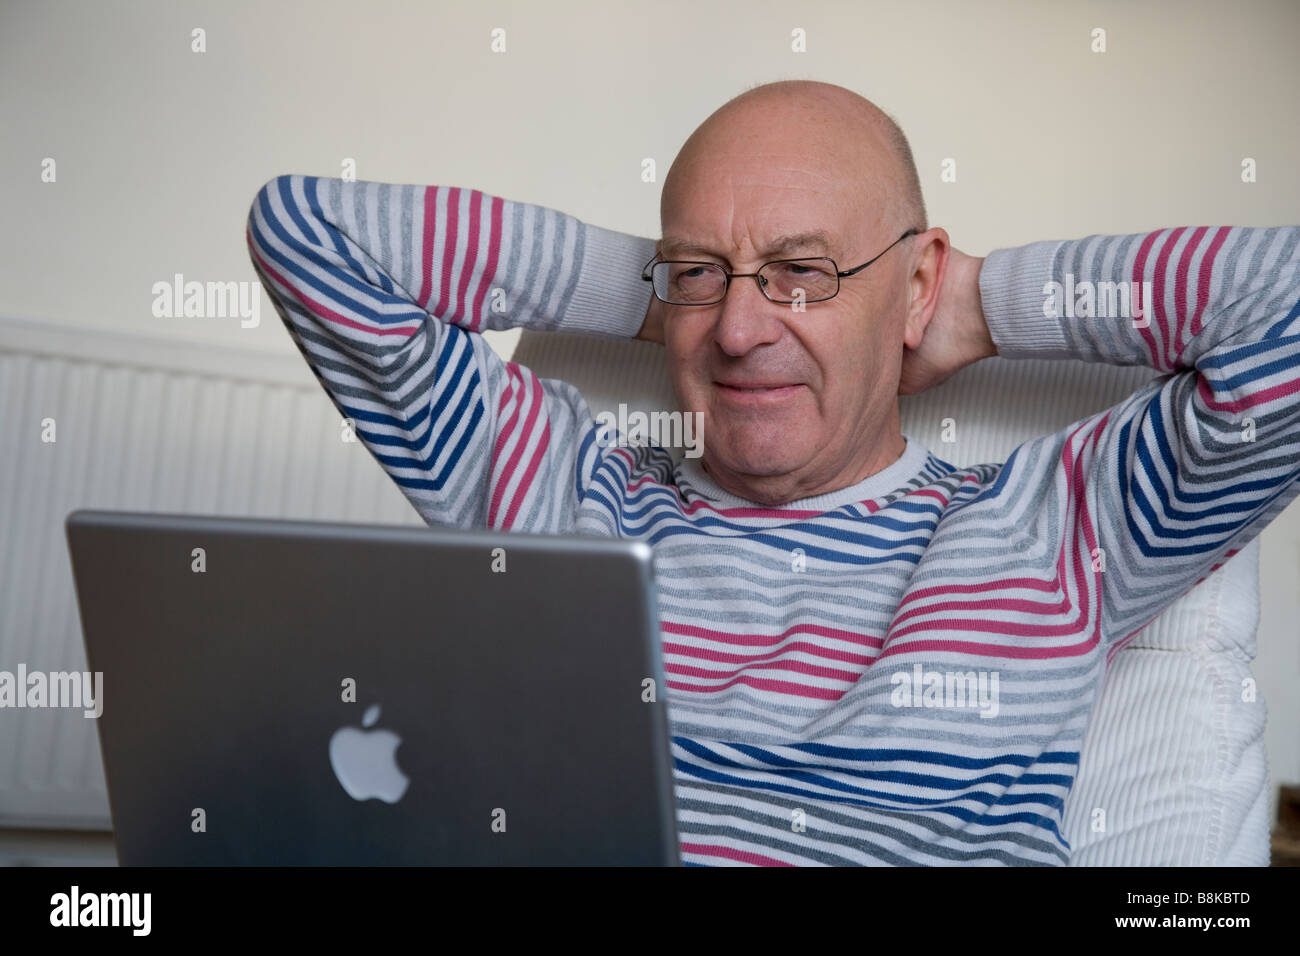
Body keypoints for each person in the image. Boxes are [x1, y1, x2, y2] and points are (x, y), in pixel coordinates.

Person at [246, 80, 1300, 866]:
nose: (742, 330)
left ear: (915, 281)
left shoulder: (1053, 526)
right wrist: (672, 286)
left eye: (803, 271)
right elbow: (308, 233)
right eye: (701, 274)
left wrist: (974, 302)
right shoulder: (563, 488)